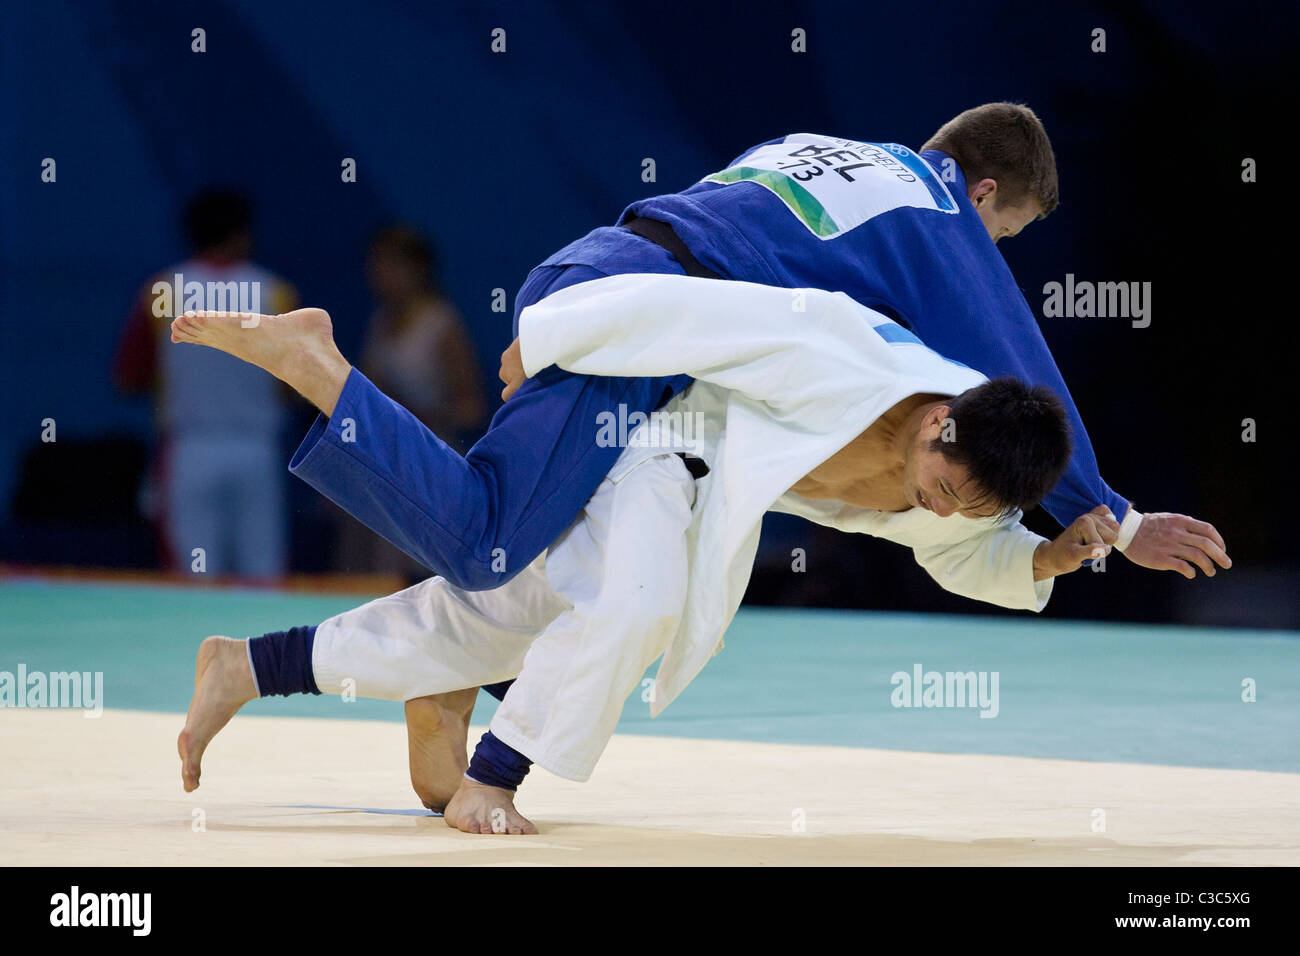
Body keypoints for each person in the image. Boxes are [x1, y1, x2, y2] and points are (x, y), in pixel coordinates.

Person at [169, 273, 1125, 834]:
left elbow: (956, 550)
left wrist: (1035, 562)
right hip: (647, 425)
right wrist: (544, 338)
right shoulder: (846, 352)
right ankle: (494, 772)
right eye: (944, 484)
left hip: (694, 488)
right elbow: (684, 310)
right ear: (942, 419)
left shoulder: (960, 475)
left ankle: (249, 665)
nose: (938, 504)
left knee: (510, 613)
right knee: (607, 597)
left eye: (962, 507)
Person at [114, 189, 297, 578]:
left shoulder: (161, 292)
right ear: (242, 234)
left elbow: (128, 379)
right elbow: (294, 385)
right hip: (256, 451)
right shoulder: (274, 292)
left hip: (190, 453)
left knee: (191, 577)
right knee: (263, 576)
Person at [333, 226, 486, 578]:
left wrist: (415, 416)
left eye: (388, 265)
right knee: (379, 569)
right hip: (383, 461)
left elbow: (472, 408)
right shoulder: (380, 322)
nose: (378, 275)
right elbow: (364, 394)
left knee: (427, 570)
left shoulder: (442, 324)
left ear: (417, 269)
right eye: (374, 265)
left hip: (431, 458)